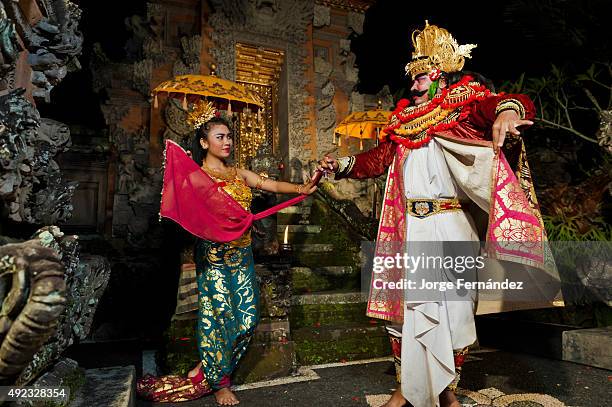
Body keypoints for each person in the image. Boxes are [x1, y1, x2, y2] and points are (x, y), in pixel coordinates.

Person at [317, 22, 560, 407]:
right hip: (407, 226)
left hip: (450, 225)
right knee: (404, 311)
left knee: (452, 312)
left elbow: (506, 102)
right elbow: (376, 160)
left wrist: (508, 113)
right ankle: (404, 389)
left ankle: (448, 392)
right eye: (411, 78)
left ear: (439, 77)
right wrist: (342, 165)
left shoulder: (462, 106)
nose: (412, 86)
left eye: (420, 77)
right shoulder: (401, 122)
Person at [137, 103, 316, 405]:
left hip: (242, 255)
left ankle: (210, 370)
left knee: (247, 319)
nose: (227, 142)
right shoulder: (197, 177)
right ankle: (221, 382)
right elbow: (184, 212)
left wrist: (302, 187)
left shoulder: (238, 173)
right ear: (204, 142)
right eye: (220, 137)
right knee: (218, 318)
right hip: (214, 257)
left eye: (229, 136)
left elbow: (268, 183)